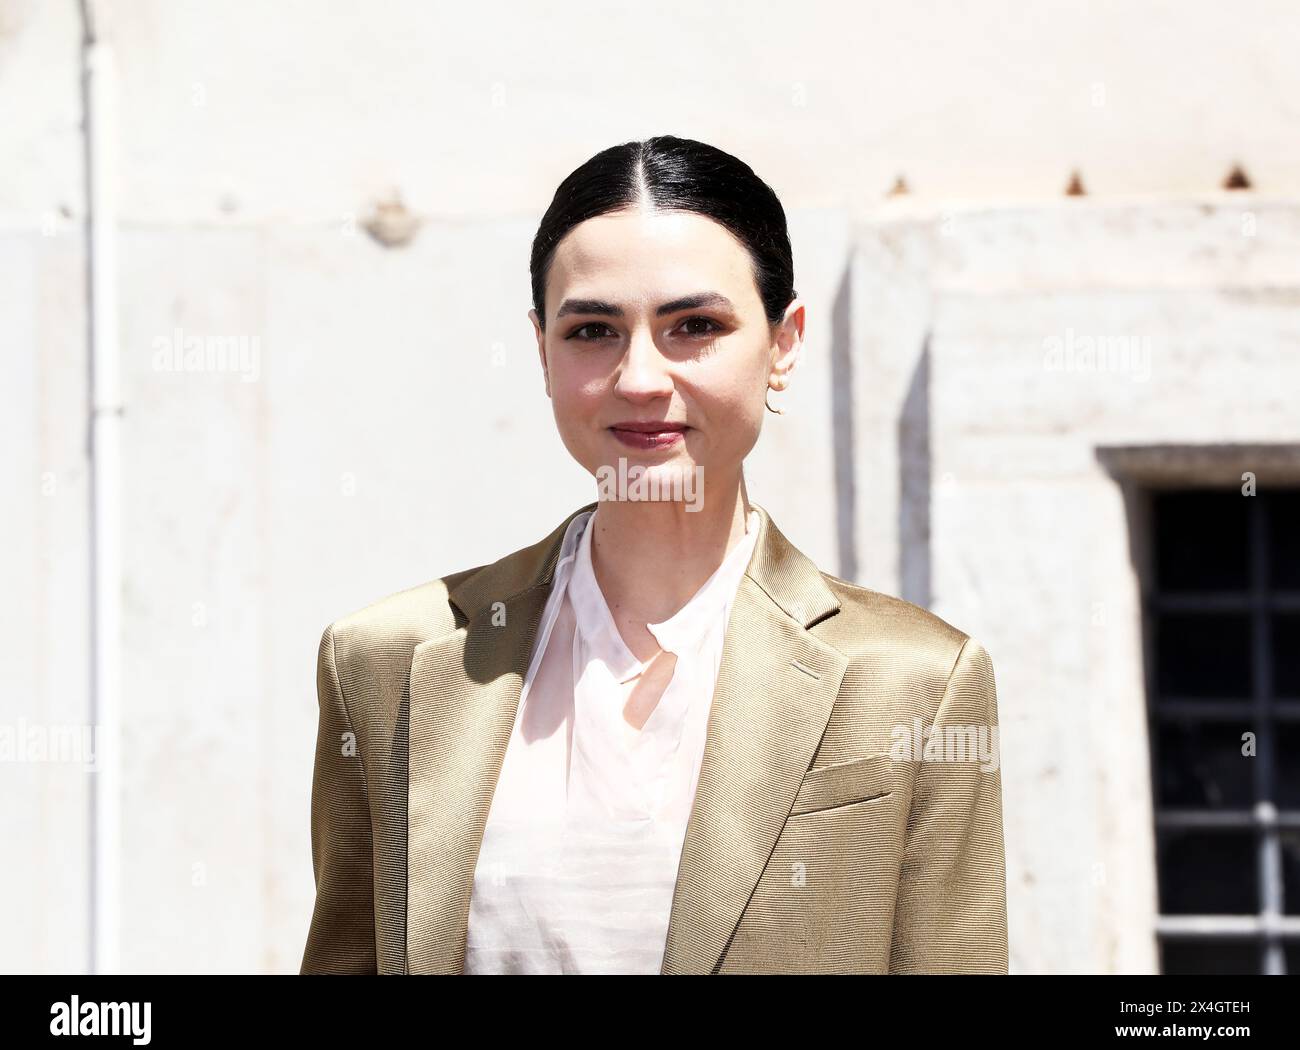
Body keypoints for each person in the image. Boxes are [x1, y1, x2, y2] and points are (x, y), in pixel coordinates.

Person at [300, 135, 1007, 975]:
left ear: (784, 341)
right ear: (542, 350)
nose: (639, 377)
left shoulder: (915, 679)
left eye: (695, 326)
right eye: (594, 329)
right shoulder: (385, 663)